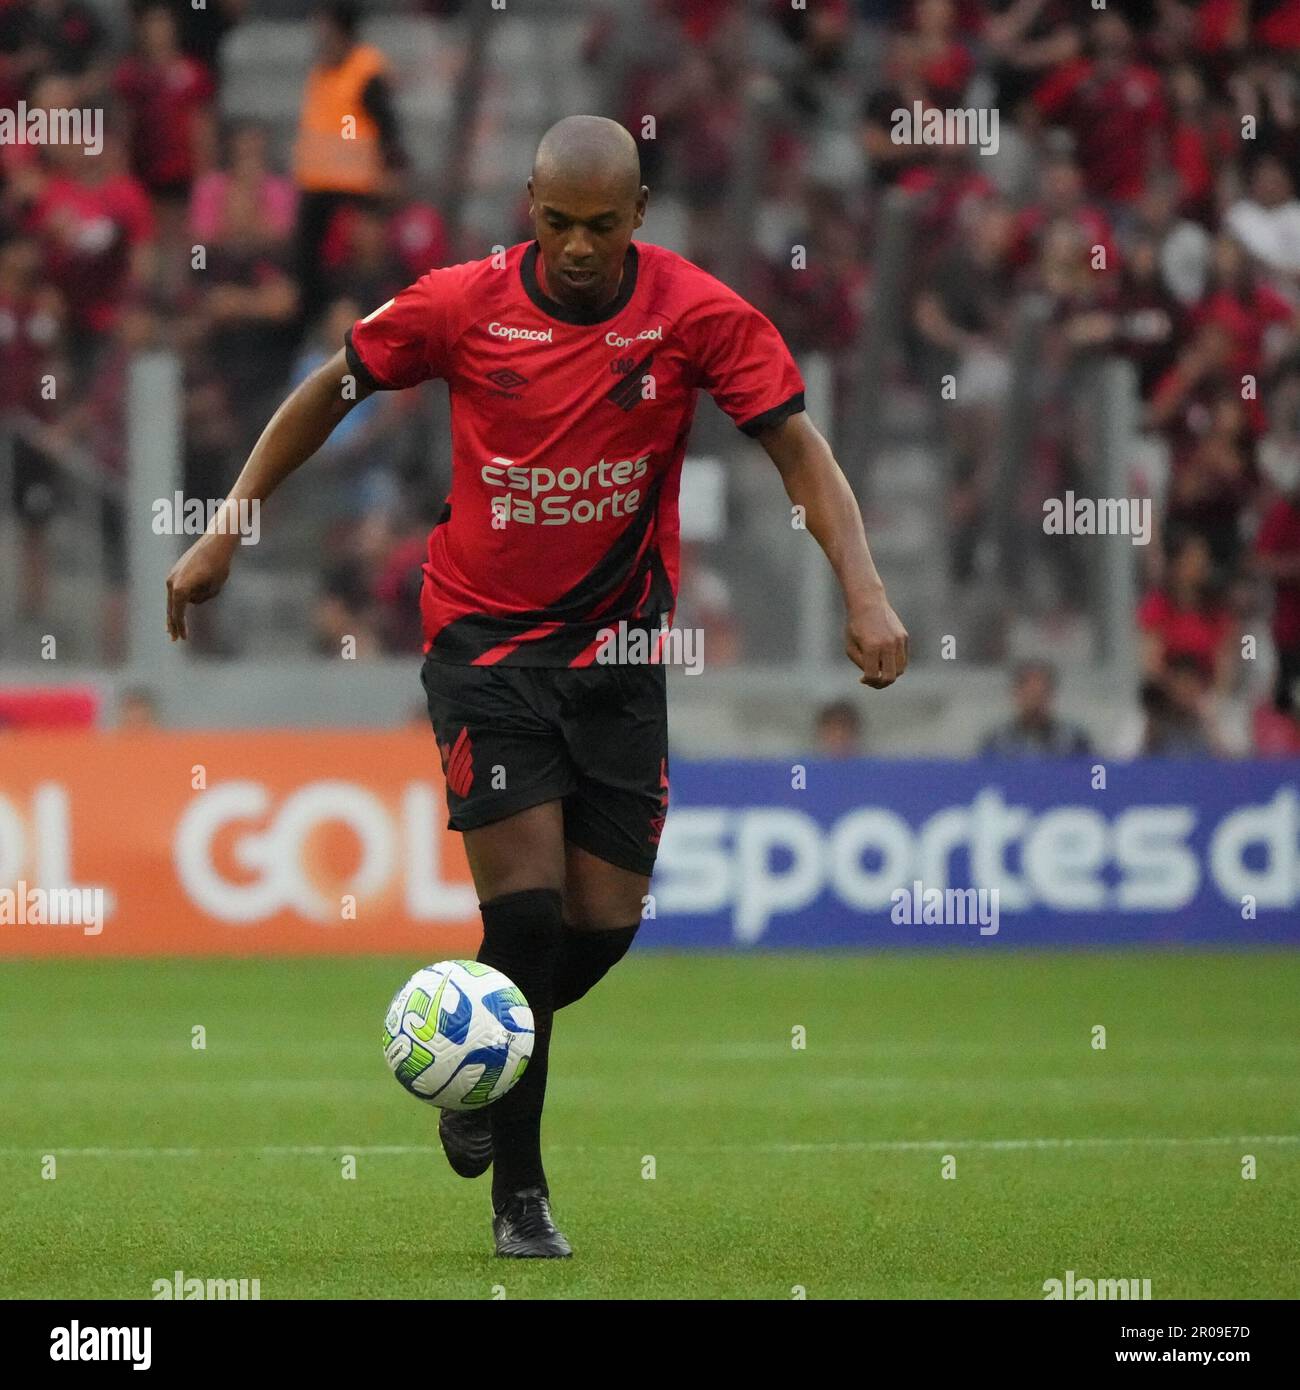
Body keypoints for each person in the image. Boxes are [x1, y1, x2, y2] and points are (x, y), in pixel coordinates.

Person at [164, 115, 909, 1258]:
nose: (575, 246)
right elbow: (332, 385)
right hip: (487, 647)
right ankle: (521, 1193)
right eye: (557, 223)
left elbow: (799, 451)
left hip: (617, 660)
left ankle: (469, 1061)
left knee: (600, 930)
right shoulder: (461, 305)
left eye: (600, 226)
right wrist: (227, 527)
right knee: (524, 913)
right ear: (529, 206)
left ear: (639, 216)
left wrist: (862, 589)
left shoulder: (698, 315)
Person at [979, 660, 1091, 756]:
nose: (1035, 702)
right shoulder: (997, 740)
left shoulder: (1073, 740)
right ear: (1016, 694)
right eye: (1029, 694)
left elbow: (1089, 774)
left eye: (1040, 695)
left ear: (1051, 695)